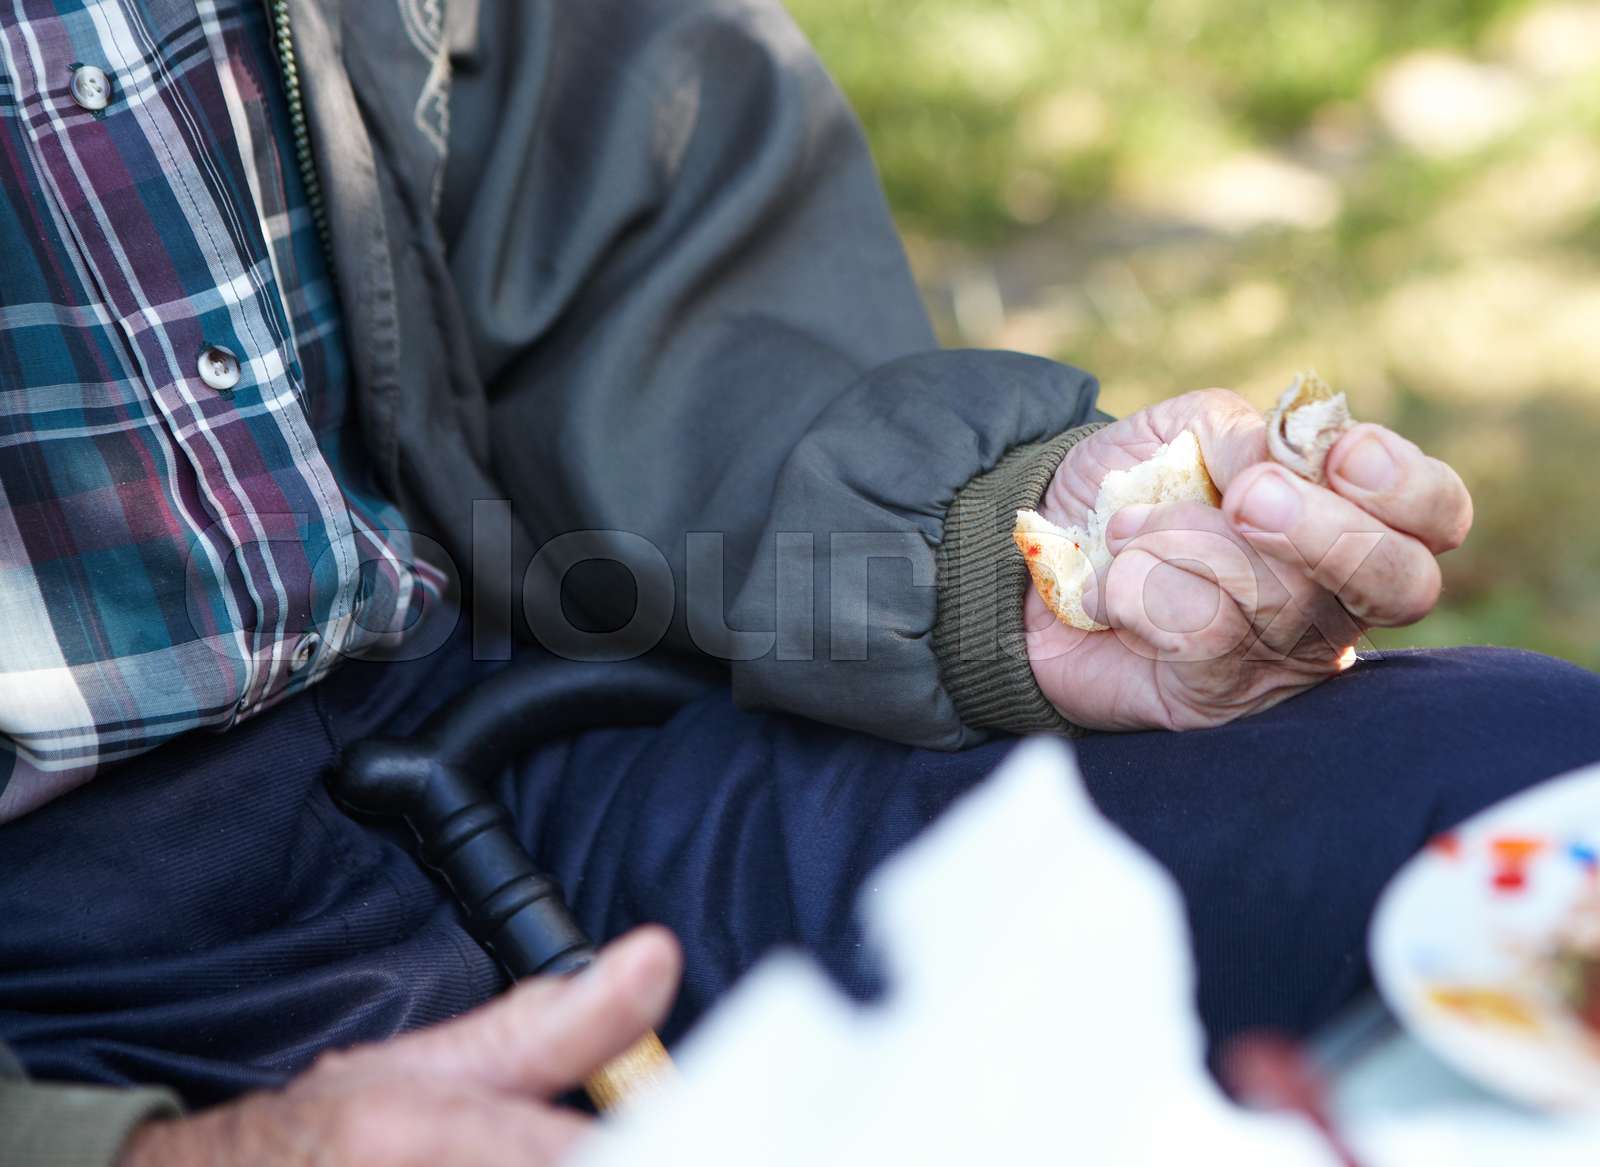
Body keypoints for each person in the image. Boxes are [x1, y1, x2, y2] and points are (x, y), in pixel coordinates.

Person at [1, 1, 1597, 1164]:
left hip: (502, 718)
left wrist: (980, 556)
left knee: (1514, 792)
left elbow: (610, 260)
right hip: (59, 1002)